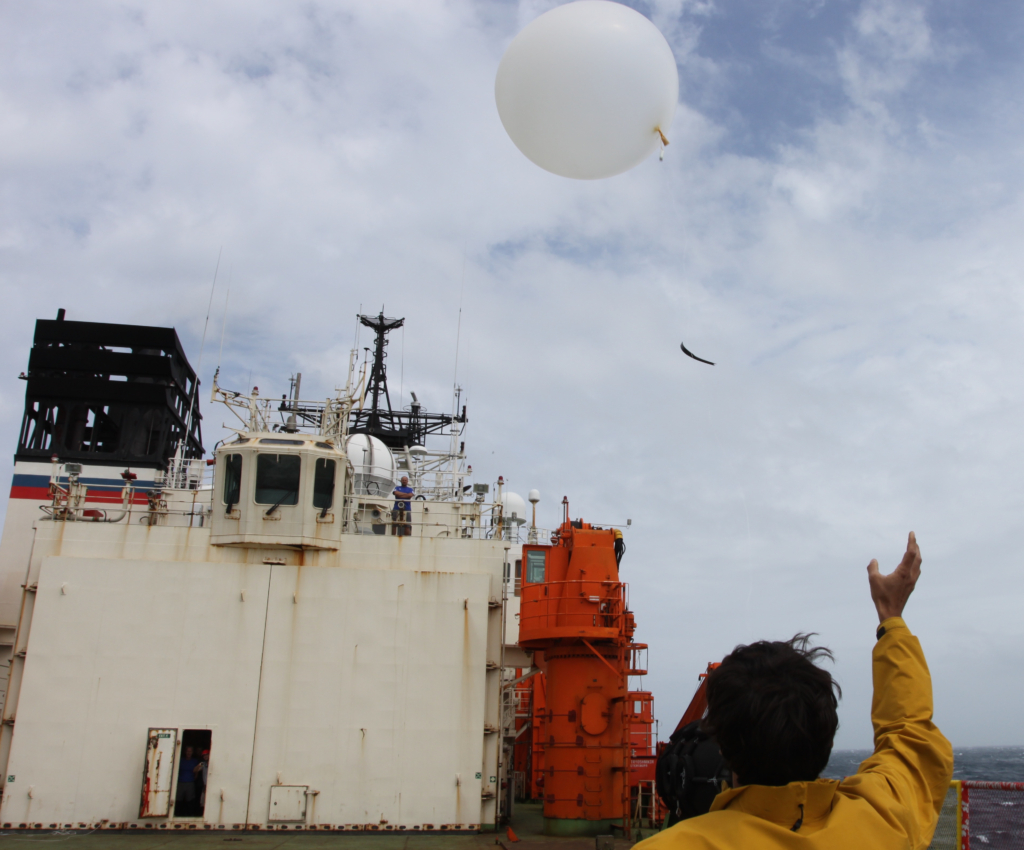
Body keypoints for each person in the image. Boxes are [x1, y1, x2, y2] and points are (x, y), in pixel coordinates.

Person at [639, 531, 953, 850]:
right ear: (827, 738)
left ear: (723, 748)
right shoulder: (883, 824)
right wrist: (891, 618)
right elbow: (909, 737)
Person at [175, 745, 202, 816]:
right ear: (185, 752)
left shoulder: (195, 761)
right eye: (187, 751)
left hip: (190, 783)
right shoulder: (180, 760)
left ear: (192, 752)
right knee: (178, 801)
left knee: (190, 801)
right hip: (180, 783)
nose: (189, 753)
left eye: (190, 751)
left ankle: (189, 815)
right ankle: (177, 814)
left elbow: (197, 772)